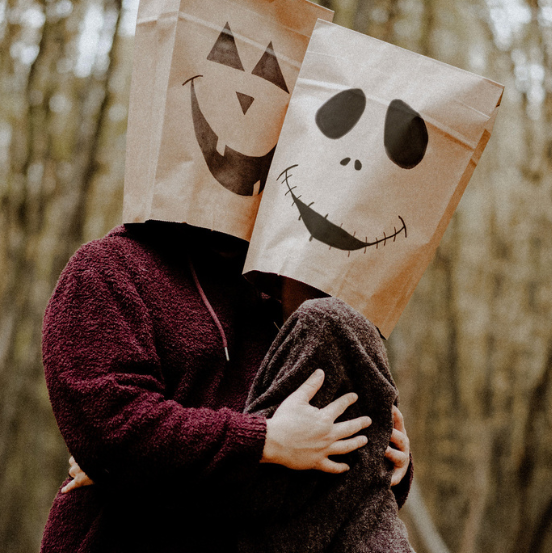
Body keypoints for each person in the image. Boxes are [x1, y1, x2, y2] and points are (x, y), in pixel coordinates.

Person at [40, 221, 411, 552]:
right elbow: (114, 432)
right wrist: (266, 440)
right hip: (131, 537)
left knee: (338, 320)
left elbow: (324, 462)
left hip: (243, 531)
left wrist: (388, 453)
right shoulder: (106, 267)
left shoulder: (289, 290)